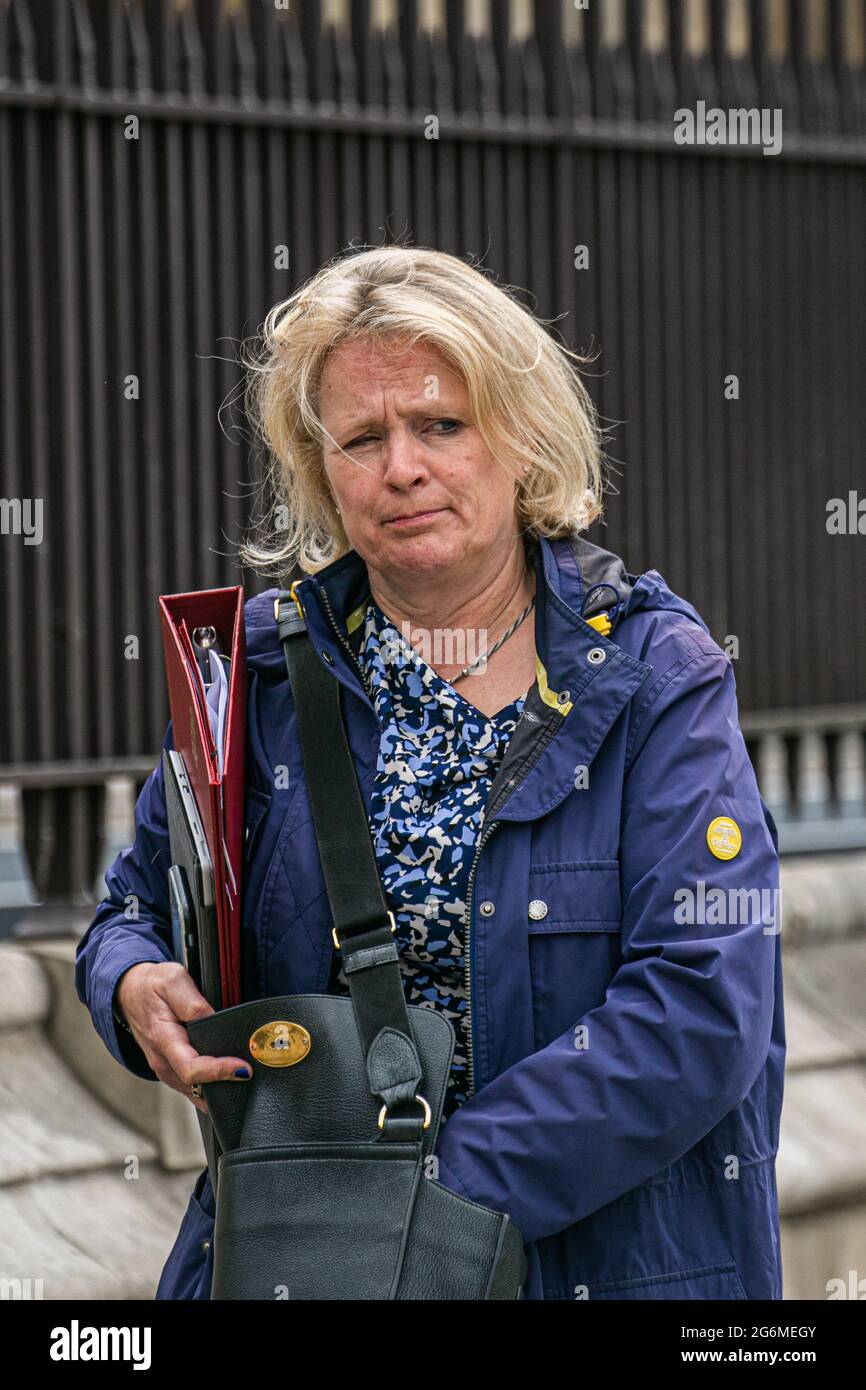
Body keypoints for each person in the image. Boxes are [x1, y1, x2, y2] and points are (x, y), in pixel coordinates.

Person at [75, 245, 784, 1301]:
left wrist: (426, 1206)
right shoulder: (257, 675)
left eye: (440, 425)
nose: (400, 466)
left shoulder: (649, 675)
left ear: (519, 436)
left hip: (602, 1269)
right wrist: (128, 981)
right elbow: (132, 911)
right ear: (321, 475)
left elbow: (701, 1008)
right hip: (305, 1264)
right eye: (360, 439)